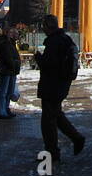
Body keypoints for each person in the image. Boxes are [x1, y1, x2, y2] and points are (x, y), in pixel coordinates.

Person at [35, 14, 84, 164]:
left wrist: (39, 58)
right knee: (56, 115)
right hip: (60, 85)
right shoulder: (65, 39)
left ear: (48, 26)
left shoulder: (54, 42)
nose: (43, 29)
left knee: (48, 120)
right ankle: (75, 139)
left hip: (52, 85)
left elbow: (50, 65)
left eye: (44, 26)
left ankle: (52, 152)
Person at [0, 27, 20, 119]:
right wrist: (13, 64)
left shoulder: (9, 43)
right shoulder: (5, 43)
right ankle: (1, 111)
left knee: (8, 91)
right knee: (3, 91)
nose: (17, 35)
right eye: (14, 33)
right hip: (5, 70)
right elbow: (7, 56)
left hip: (10, 70)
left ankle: (4, 109)